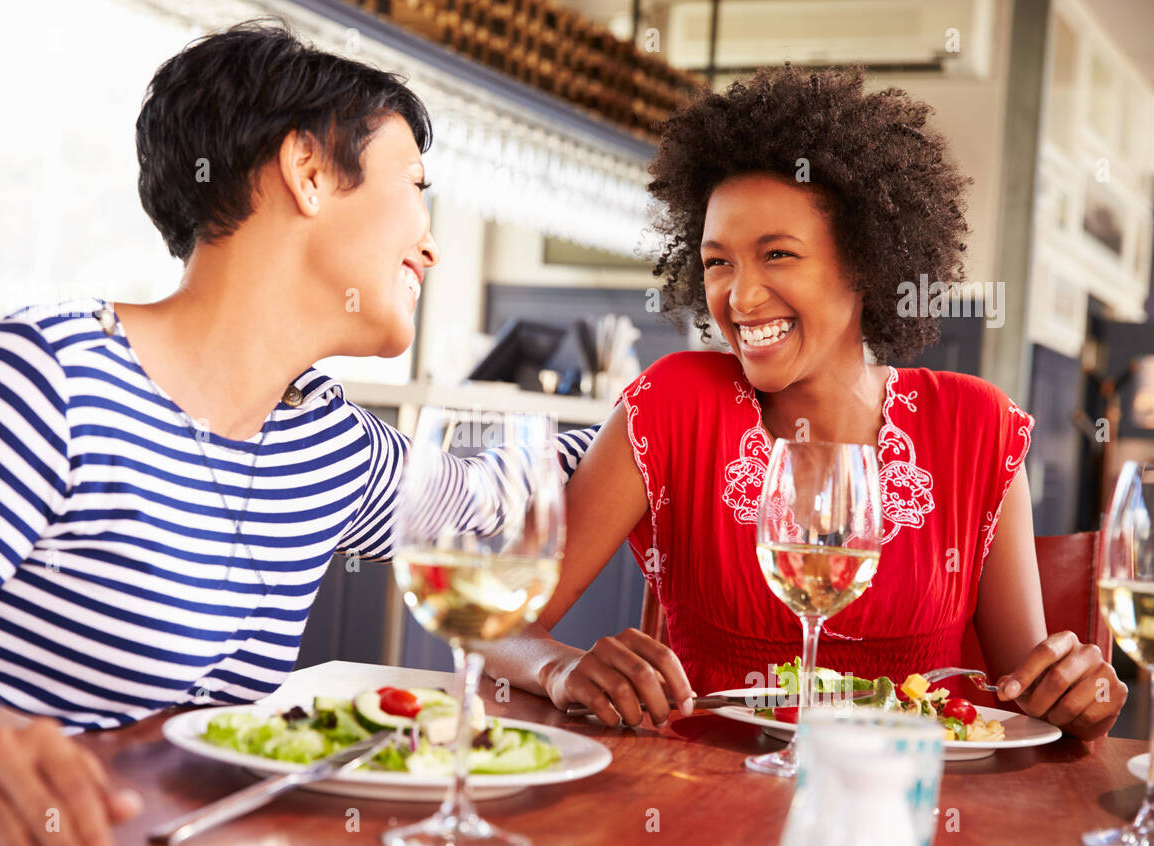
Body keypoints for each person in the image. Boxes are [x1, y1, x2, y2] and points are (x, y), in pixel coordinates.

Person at [0, 19, 596, 846]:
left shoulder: (325, 445)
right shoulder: (37, 386)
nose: (430, 243)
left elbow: (497, 494)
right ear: (309, 171)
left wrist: (676, 401)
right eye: (415, 185)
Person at [482, 65, 1127, 740]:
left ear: (866, 265)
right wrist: (560, 669)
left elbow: (1027, 697)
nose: (741, 297)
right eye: (717, 262)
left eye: (778, 255)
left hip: (897, 814)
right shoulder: (669, 406)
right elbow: (498, 625)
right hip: (702, 805)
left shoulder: (977, 428)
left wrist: (1081, 700)